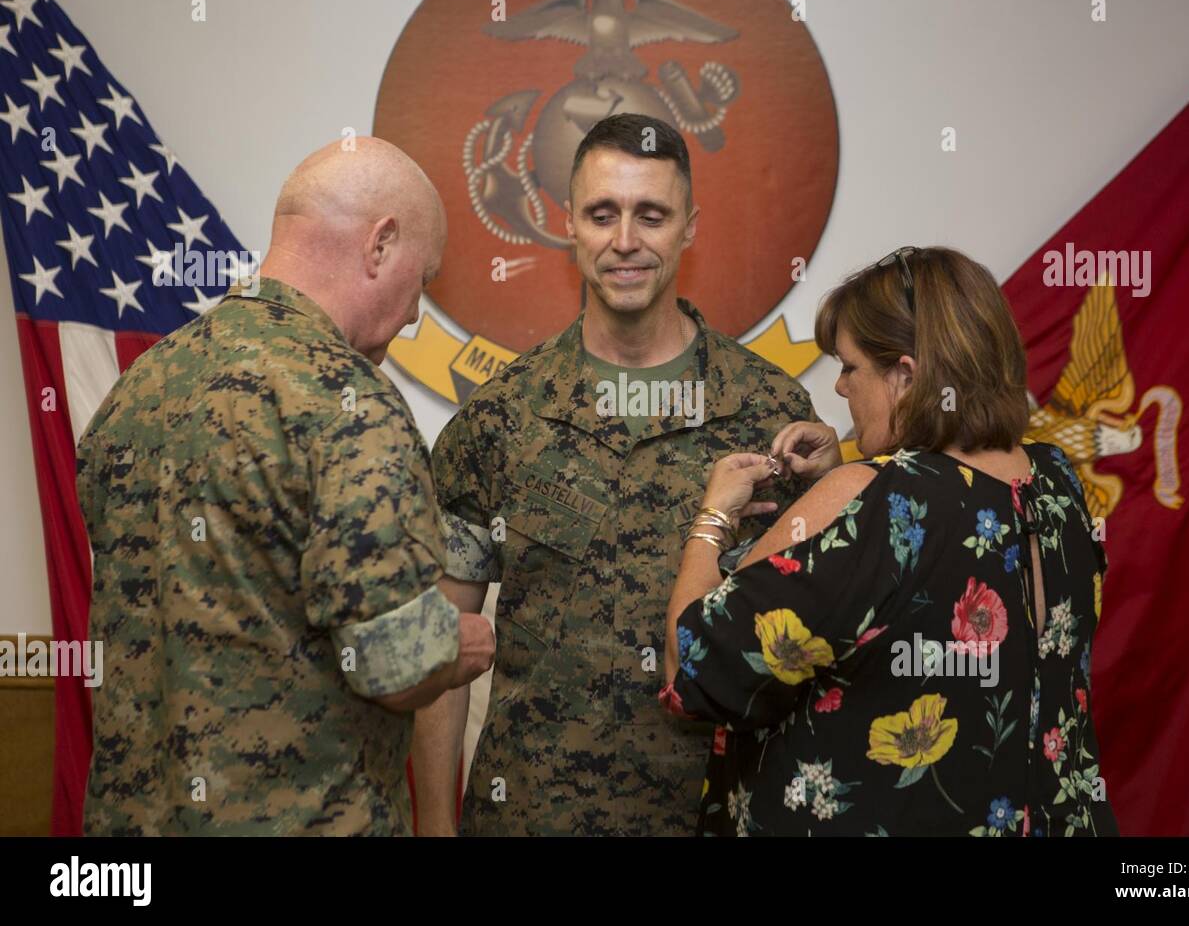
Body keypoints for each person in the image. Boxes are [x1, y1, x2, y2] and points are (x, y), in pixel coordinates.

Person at [417, 114, 821, 836]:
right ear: (569, 224)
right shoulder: (503, 417)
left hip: (714, 814)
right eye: (603, 214)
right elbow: (443, 646)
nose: (626, 241)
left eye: (652, 215)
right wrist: (435, 829)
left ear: (689, 227)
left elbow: (812, 639)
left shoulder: (768, 411)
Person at [76, 137, 494, 835]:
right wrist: (463, 641)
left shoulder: (139, 388)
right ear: (381, 244)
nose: (418, 312)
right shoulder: (347, 401)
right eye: (424, 280)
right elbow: (394, 667)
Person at [663, 246, 1119, 836]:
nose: (842, 389)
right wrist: (847, 481)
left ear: (904, 376)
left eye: (850, 367)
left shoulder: (879, 496)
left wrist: (712, 520)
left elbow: (692, 667)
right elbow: (908, 578)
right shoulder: (1057, 481)